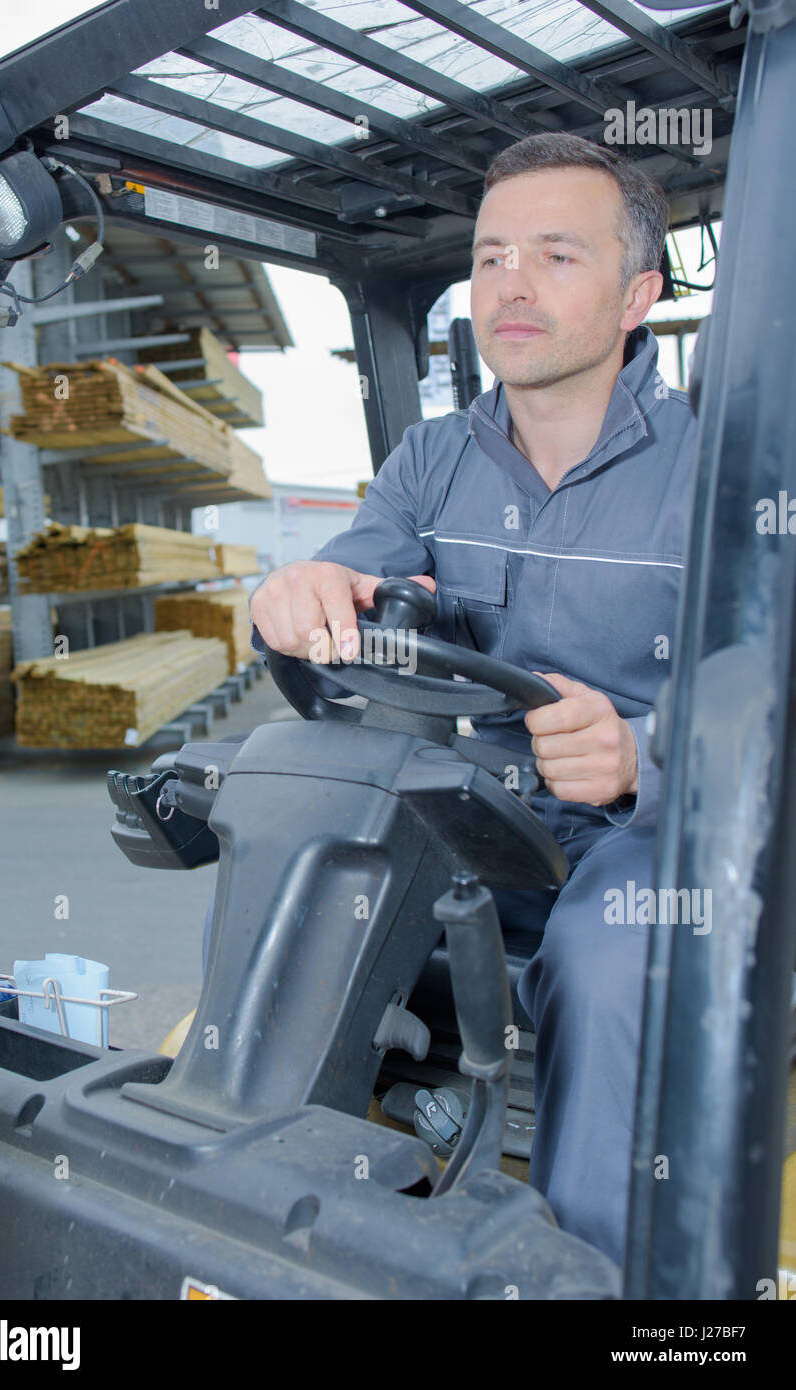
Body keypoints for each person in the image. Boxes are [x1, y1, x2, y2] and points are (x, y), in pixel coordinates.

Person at [247, 131, 697, 1269]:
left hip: (652, 834)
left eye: (556, 255)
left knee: (609, 953)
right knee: (300, 861)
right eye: (492, 257)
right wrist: (294, 594)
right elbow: (349, 583)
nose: (511, 284)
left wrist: (648, 748)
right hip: (477, 815)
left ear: (638, 293)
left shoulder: (727, 470)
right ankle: (276, 1224)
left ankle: (585, 1276)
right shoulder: (431, 461)